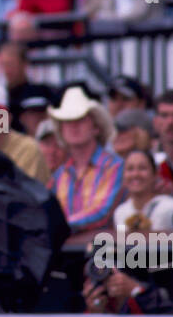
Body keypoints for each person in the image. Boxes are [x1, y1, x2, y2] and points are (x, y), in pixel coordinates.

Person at [48, 87, 123, 234]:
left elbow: (103, 213)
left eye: (81, 119)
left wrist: (60, 225)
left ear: (96, 128)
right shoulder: (59, 175)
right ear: (61, 129)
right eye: (67, 120)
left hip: (105, 252)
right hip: (67, 252)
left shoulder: (115, 166)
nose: (74, 125)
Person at [112, 150, 173, 232]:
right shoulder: (120, 213)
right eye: (130, 169)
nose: (135, 174)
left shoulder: (171, 208)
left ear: (155, 174)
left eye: (142, 168)